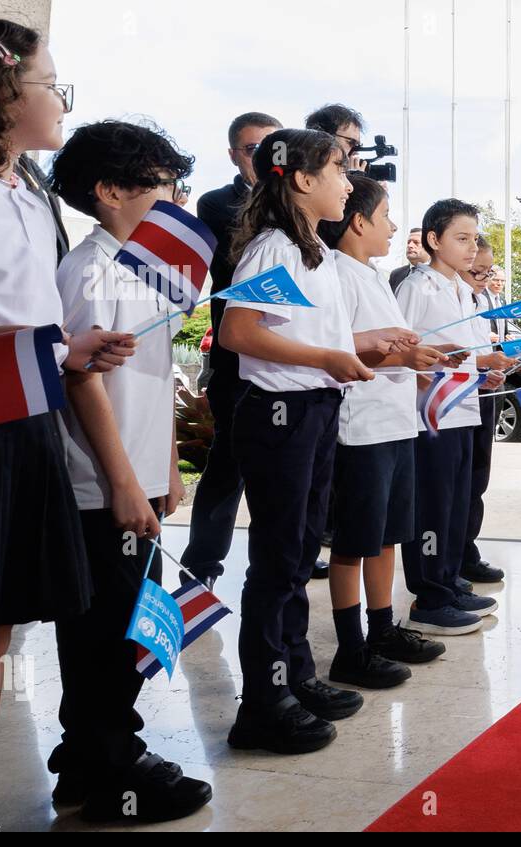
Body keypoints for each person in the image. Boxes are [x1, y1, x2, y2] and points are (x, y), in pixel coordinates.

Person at [0, 10, 135, 832]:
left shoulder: (27, 191)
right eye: (49, 83)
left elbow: (31, 316)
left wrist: (67, 350)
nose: (60, 100)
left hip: (23, 418)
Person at [220, 128, 412, 754]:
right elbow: (239, 332)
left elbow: (321, 336)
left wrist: (368, 348)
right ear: (301, 180)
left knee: (301, 553)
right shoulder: (273, 249)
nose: (349, 181)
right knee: (276, 562)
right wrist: (327, 357)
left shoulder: (312, 255)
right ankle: (262, 703)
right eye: (338, 169)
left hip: (312, 407)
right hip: (280, 412)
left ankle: (295, 676)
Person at [46, 119, 213, 822]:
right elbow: (80, 379)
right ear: (109, 191)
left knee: (127, 629)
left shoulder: (147, 267)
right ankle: (109, 766)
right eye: (162, 187)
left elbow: (157, 369)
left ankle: (88, 761)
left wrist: (165, 467)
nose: (176, 202)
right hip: (97, 485)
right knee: (105, 637)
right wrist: (119, 481)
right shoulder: (87, 270)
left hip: (137, 475)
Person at [319, 173, 453, 688]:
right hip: (361, 427)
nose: (395, 227)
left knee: (388, 536)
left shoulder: (373, 274)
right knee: (354, 542)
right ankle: (350, 648)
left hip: (394, 422)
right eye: (385, 217)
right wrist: (400, 352)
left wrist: (414, 360)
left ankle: (382, 630)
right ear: (357, 221)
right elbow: (337, 344)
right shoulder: (335, 272)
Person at [179, 111, 284, 589]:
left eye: (274, 148)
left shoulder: (301, 200)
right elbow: (237, 259)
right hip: (237, 354)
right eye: (252, 150)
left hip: (291, 356)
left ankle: (286, 554)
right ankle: (200, 569)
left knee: (288, 467)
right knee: (227, 466)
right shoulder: (218, 202)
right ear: (233, 155)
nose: (264, 158)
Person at [398, 200, 512, 634]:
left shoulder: (459, 289)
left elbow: (460, 351)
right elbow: (405, 351)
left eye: (473, 238)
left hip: (463, 410)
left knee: (454, 503)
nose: (471, 248)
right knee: (432, 505)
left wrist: (485, 369)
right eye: (461, 239)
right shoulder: (417, 288)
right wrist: (469, 364)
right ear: (433, 240)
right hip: (433, 416)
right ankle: (428, 596)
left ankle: (448, 580)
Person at [460, 236, 510, 585]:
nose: (482, 277)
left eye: (487, 271)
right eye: (476, 271)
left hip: (482, 395)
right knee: (455, 486)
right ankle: (449, 561)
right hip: (450, 404)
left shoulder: (481, 297)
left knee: (477, 479)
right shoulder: (433, 292)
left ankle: (466, 550)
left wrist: (492, 368)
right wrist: (481, 362)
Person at [391, 228, 430, 293]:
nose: (410, 245)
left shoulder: (440, 274)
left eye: (416, 242)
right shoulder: (396, 274)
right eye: (408, 242)